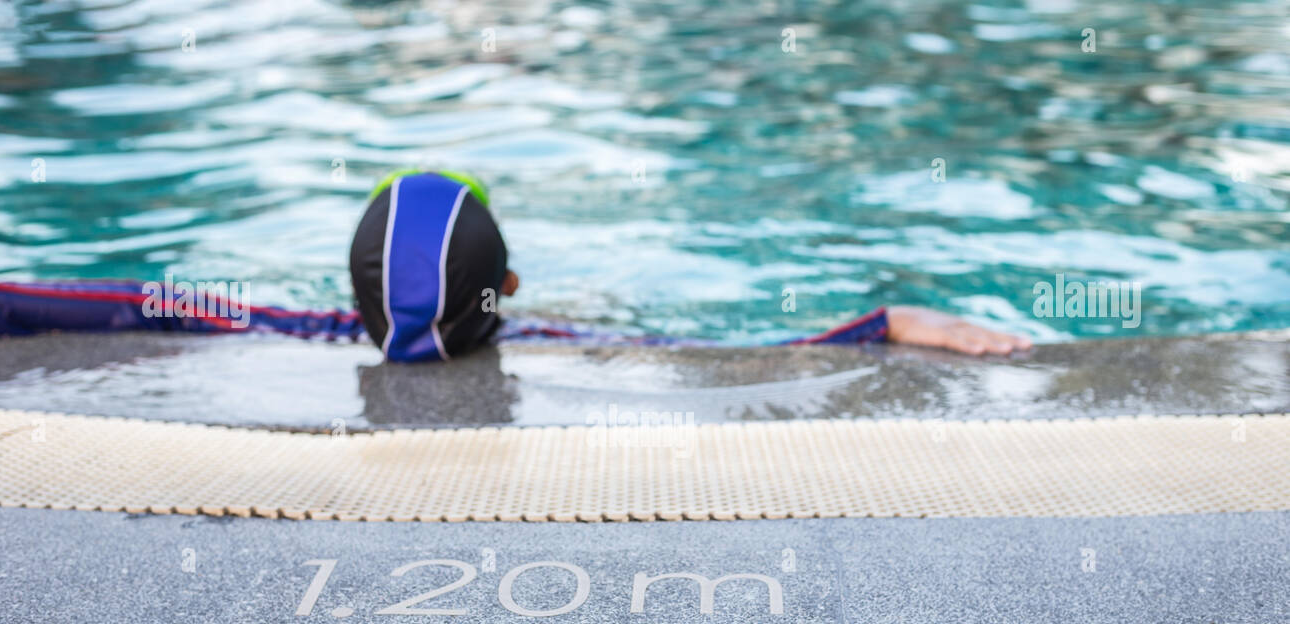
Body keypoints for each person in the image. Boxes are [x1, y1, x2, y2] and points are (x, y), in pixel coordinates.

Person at [348, 168, 1032, 362]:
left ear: (362, 295)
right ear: (511, 289)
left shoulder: (323, 326)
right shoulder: (563, 337)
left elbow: (242, 313)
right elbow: (731, 353)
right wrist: (885, 322)